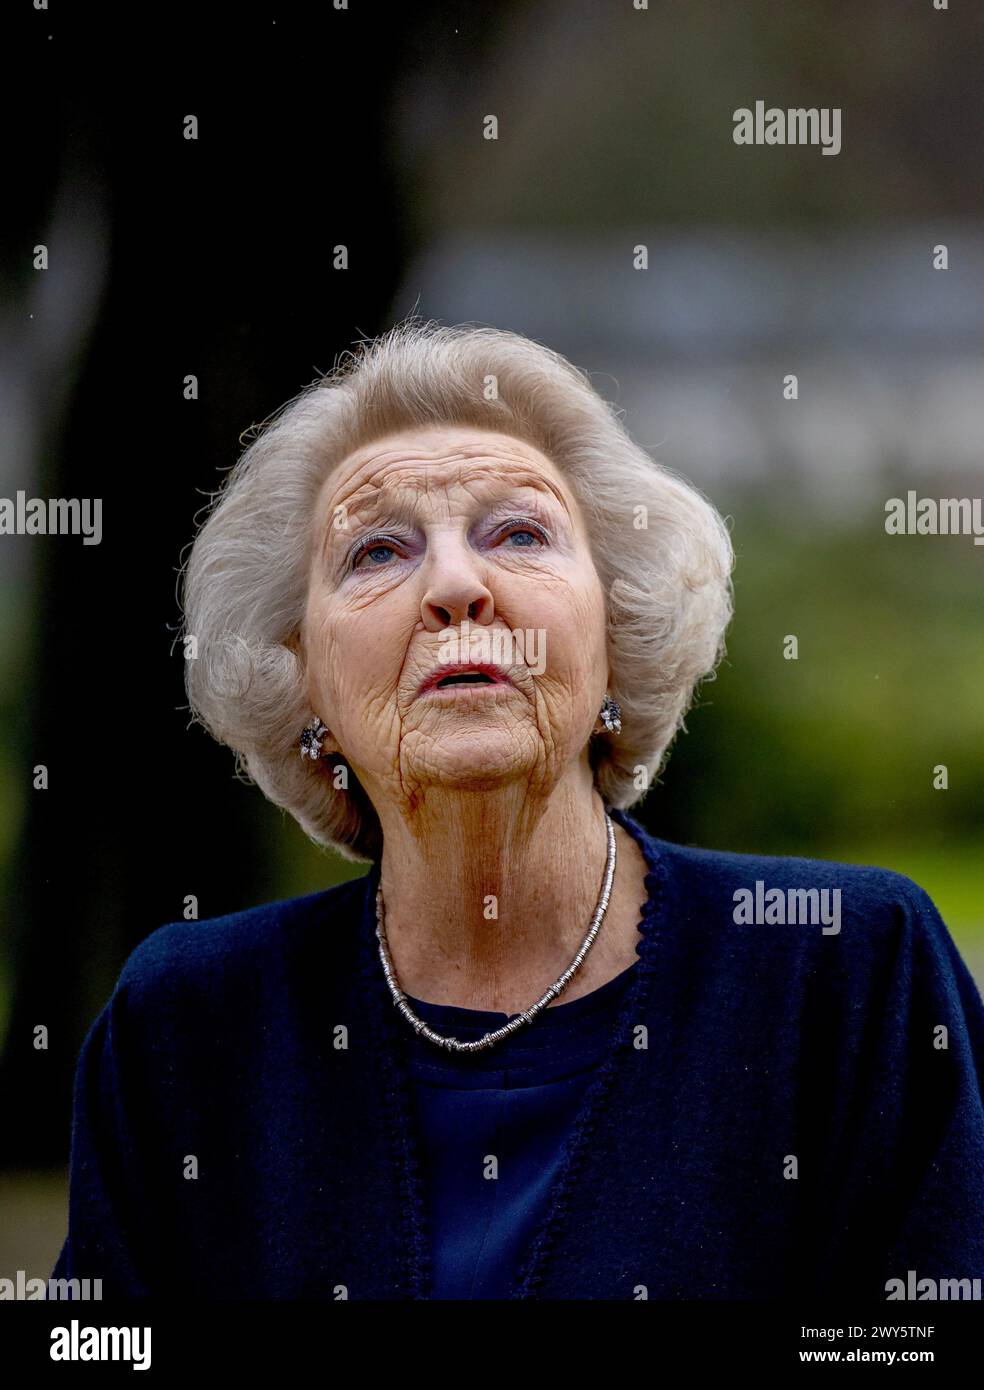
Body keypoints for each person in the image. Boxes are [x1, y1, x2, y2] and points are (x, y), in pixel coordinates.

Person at [51, 319, 984, 1300]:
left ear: (617, 639)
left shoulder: (846, 964)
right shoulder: (190, 1022)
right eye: (377, 551)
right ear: (306, 691)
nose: (456, 585)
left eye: (519, 532)